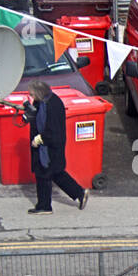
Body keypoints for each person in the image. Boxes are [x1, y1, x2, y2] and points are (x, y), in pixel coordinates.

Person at [23, 80, 87, 214]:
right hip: (48, 148)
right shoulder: (44, 101)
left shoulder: (52, 105)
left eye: (33, 95)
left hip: (49, 148)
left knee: (44, 174)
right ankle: (79, 193)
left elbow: (53, 130)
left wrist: (39, 139)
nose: (32, 98)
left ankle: (44, 206)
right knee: (56, 173)